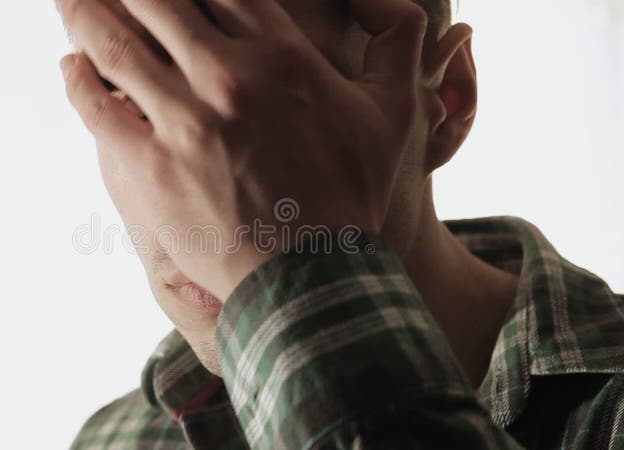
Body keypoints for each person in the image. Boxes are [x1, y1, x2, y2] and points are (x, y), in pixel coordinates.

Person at [56, 0, 624, 448]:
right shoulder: (116, 440)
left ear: (445, 103)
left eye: (272, 107)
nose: (195, 183)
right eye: (132, 98)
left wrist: (289, 273)